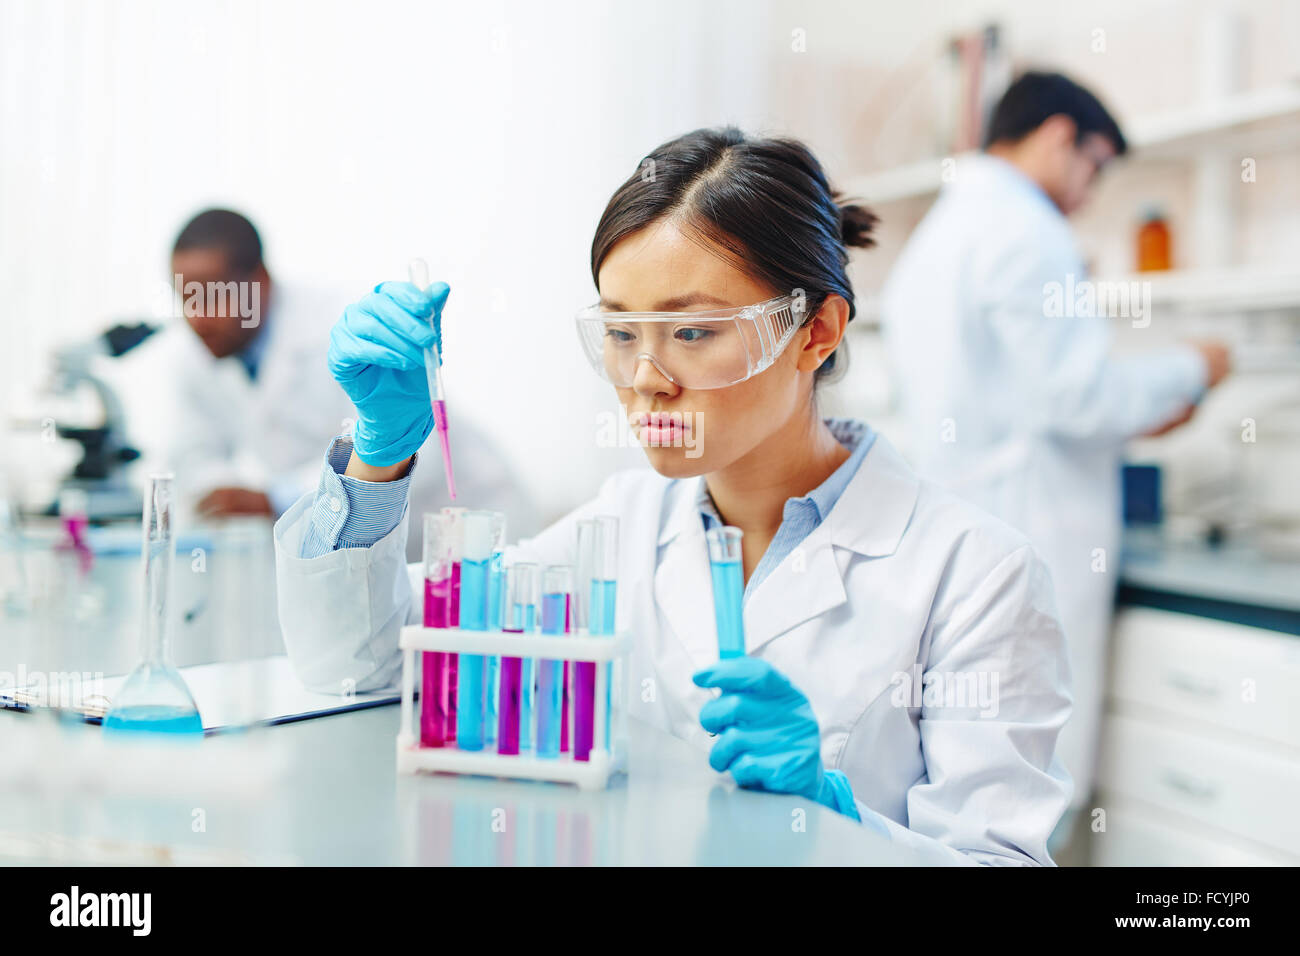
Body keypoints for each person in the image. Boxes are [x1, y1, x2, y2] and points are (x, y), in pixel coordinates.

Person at [274, 128, 1073, 865]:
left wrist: (832, 816)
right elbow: (365, 669)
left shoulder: (976, 574)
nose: (646, 381)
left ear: (818, 332)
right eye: (622, 335)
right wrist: (379, 456)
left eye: (692, 333)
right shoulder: (620, 526)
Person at [879, 72, 1231, 839]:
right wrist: (1193, 366)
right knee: (1020, 792)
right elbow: (1081, 398)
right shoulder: (1025, 228)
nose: (1090, 191)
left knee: (960, 785)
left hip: (959, 539)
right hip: (1029, 541)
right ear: (1057, 136)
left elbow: (1024, 398)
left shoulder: (944, 232)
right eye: (1094, 166)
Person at [120, 208, 535, 554]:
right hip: (358, 547)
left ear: (259, 280)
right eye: (186, 298)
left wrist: (273, 499)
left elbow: (407, 444)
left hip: (468, 523)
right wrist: (218, 494)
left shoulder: (341, 326)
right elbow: (193, 459)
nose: (198, 318)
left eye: (215, 296)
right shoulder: (194, 357)